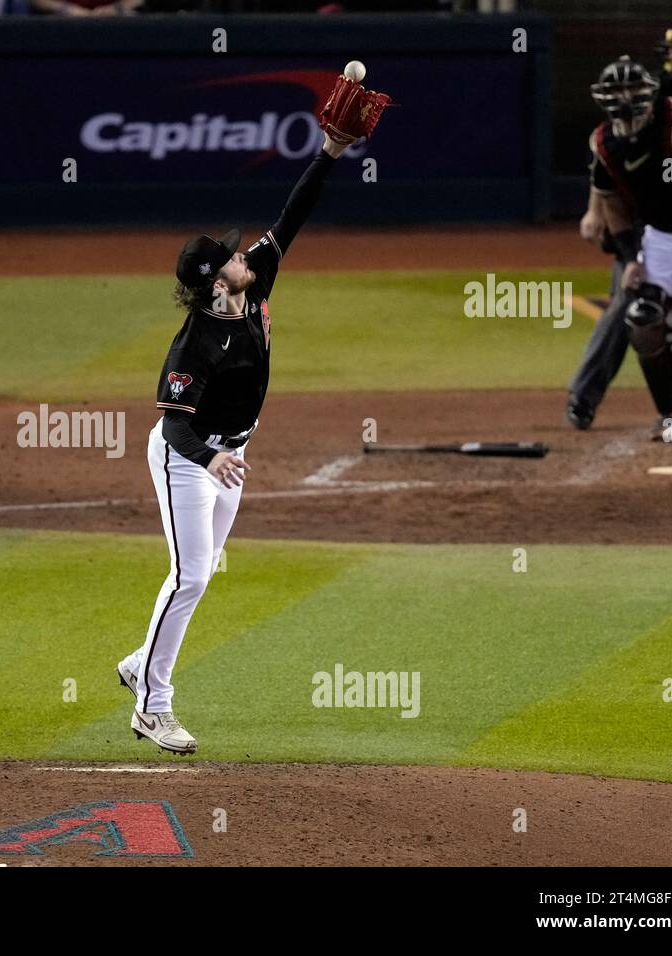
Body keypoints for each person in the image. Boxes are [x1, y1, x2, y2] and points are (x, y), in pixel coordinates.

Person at [116, 69, 390, 754]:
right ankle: (153, 703)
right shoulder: (195, 342)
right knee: (192, 575)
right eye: (229, 257)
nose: (243, 253)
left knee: (200, 575)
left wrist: (329, 152)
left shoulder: (256, 275)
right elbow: (175, 422)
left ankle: (139, 662)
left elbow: (292, 214)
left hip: (230, 453)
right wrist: (211, 458)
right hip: (189, 456)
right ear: (214, 280)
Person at [568, 20, 672, 430]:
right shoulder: (655, 97)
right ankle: (584, 396)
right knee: (631, 306)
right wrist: (596, 211)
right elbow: (605, 173)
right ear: (665, 57)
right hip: (651, 226)